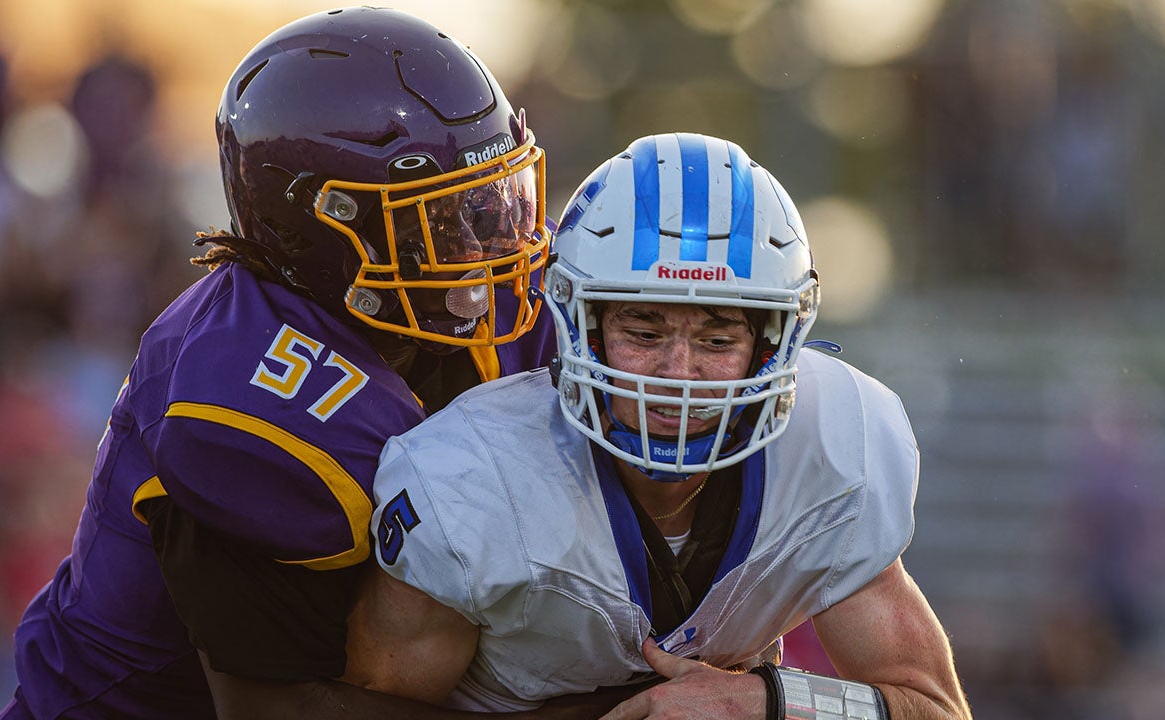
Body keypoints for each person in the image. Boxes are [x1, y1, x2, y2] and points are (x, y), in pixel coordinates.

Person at [0, 7, 570, 719]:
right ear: (322, 226)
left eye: (488, 205)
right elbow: (276, 710)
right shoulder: (235, 398)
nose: (489, 249)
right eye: (444, 221)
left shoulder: (477, 308)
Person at [345, 133, 975, 720]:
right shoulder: (472, 480)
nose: (679, 373)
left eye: (718, 337)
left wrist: (760, 702)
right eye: (643, 333)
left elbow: (933, 708)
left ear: (770, 345)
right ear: (583, 331)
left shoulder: (835, 446)